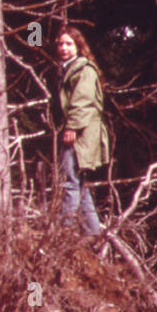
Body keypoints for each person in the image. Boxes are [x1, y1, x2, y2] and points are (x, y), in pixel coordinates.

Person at [53, 26, 109, 237]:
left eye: (69, 44)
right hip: (79, 131)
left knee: (70, 181)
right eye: (60, 43)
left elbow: (82, 102)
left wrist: (71, 127)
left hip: (80, 133)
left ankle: (61, 233)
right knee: (80, 184)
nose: (63, 48)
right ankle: (94, 234)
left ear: (78, 47)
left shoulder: (83, 69)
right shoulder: (67, 69)